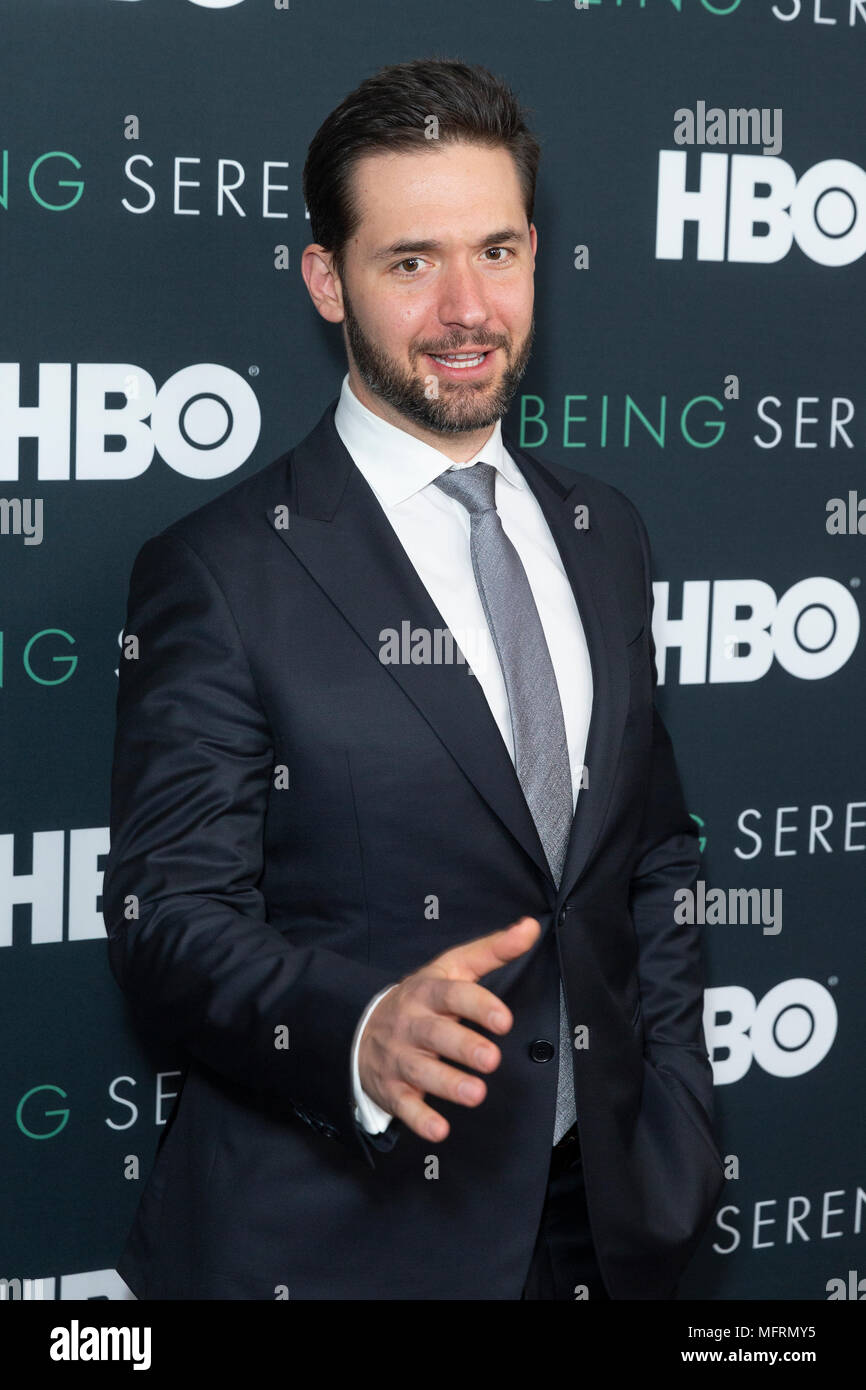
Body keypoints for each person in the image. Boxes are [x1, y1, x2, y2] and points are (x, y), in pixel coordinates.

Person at [103, 57, 725, 1301]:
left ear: (536, 254)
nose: (464, 308)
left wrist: (672, 1111)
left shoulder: (606, 530)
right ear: (326, 280)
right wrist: (357, 1028)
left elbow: (646, 858)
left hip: (605, 1222)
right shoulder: (220, 572)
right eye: (409, 261)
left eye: (495, 251)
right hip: (345, 1236)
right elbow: (166, 915)